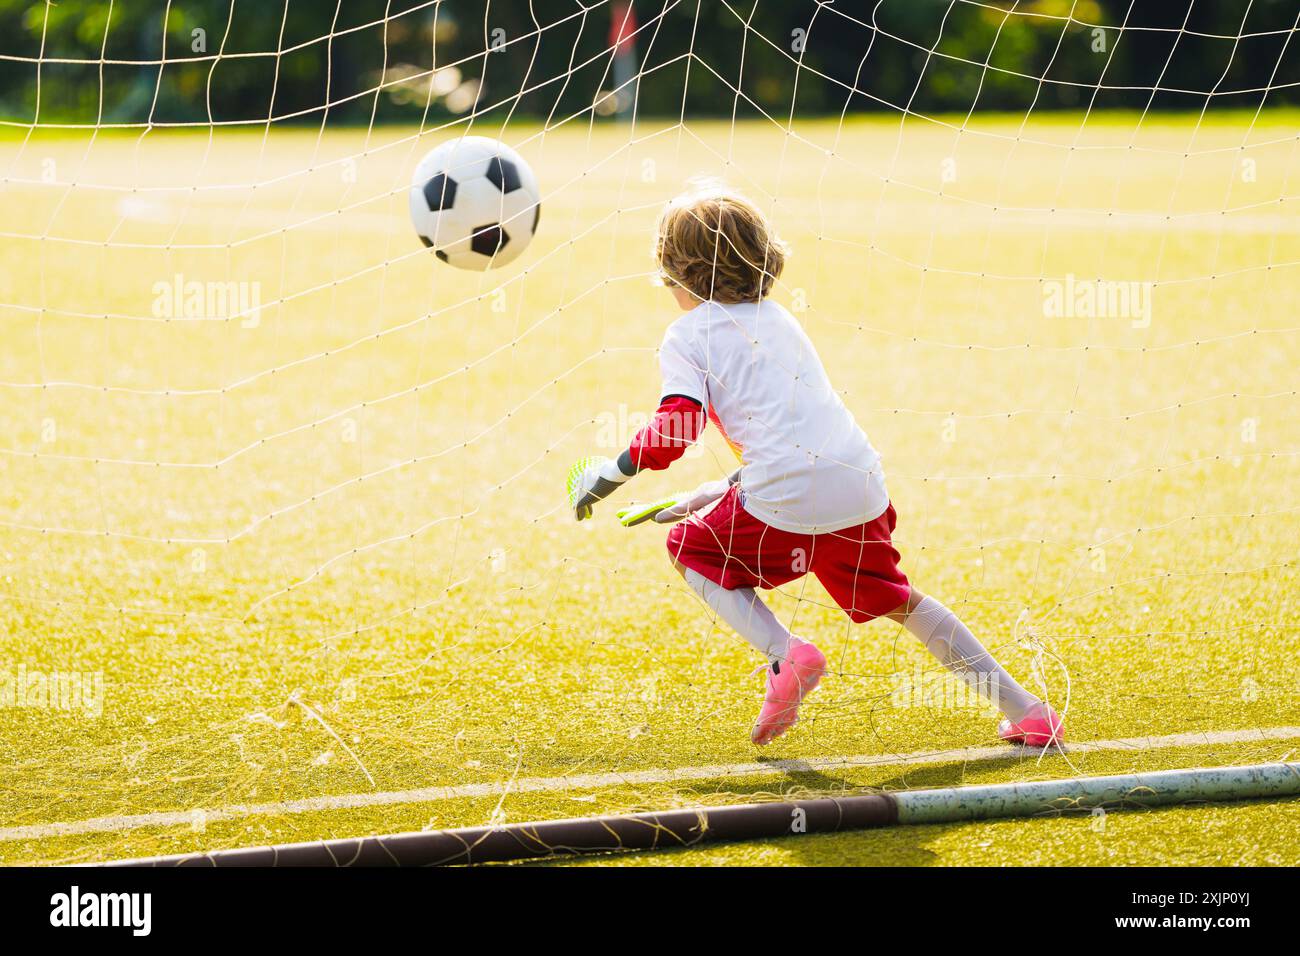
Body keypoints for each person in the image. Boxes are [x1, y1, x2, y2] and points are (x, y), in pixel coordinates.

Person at [571, 185, 1064, 748]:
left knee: (690, 550)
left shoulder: (687, 333)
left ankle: (787, 656)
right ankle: (1029, 712)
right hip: (857, 482)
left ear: (676, 271)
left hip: (784, 493)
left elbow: (680, 424)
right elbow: (791, 427)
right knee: (903, 603)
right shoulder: (779, 318)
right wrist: (724, 487)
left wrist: (608, 474)